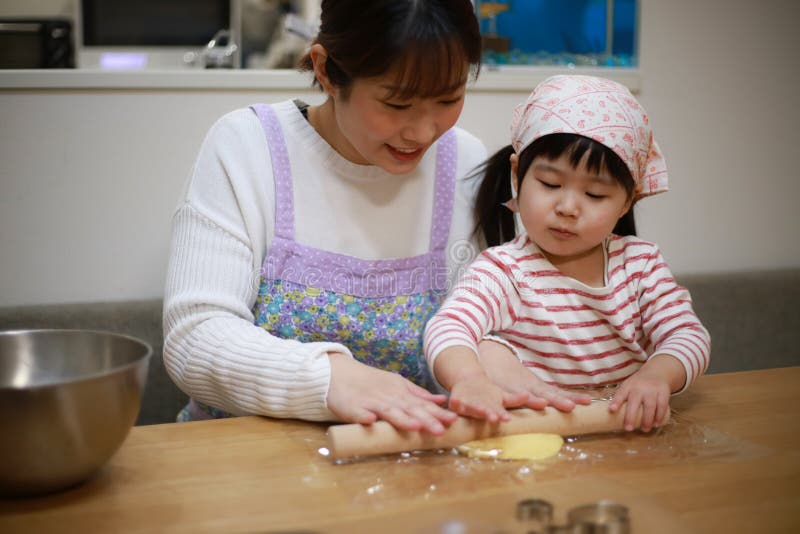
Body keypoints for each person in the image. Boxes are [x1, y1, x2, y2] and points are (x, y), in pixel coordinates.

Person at [162, 0, 488, 434]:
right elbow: (194, 339)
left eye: (449, 99)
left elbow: (489, 322)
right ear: (327, 71)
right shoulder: (247, 147)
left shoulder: (464, 162)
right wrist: (330, 378)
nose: (423, 132)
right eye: (397, 104)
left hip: (407, 462)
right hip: (244, 461)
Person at [424, 75, 711, 432]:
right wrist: (468, 378)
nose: (568, 207)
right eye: (550, 184)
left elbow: (688, 335)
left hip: (626, 434)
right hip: (535, 434)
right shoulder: (504, 270)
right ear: (518, 175)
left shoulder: (640, 267)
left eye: (594, 195)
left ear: (627, 202)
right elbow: (449, 326)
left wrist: (657, 376)